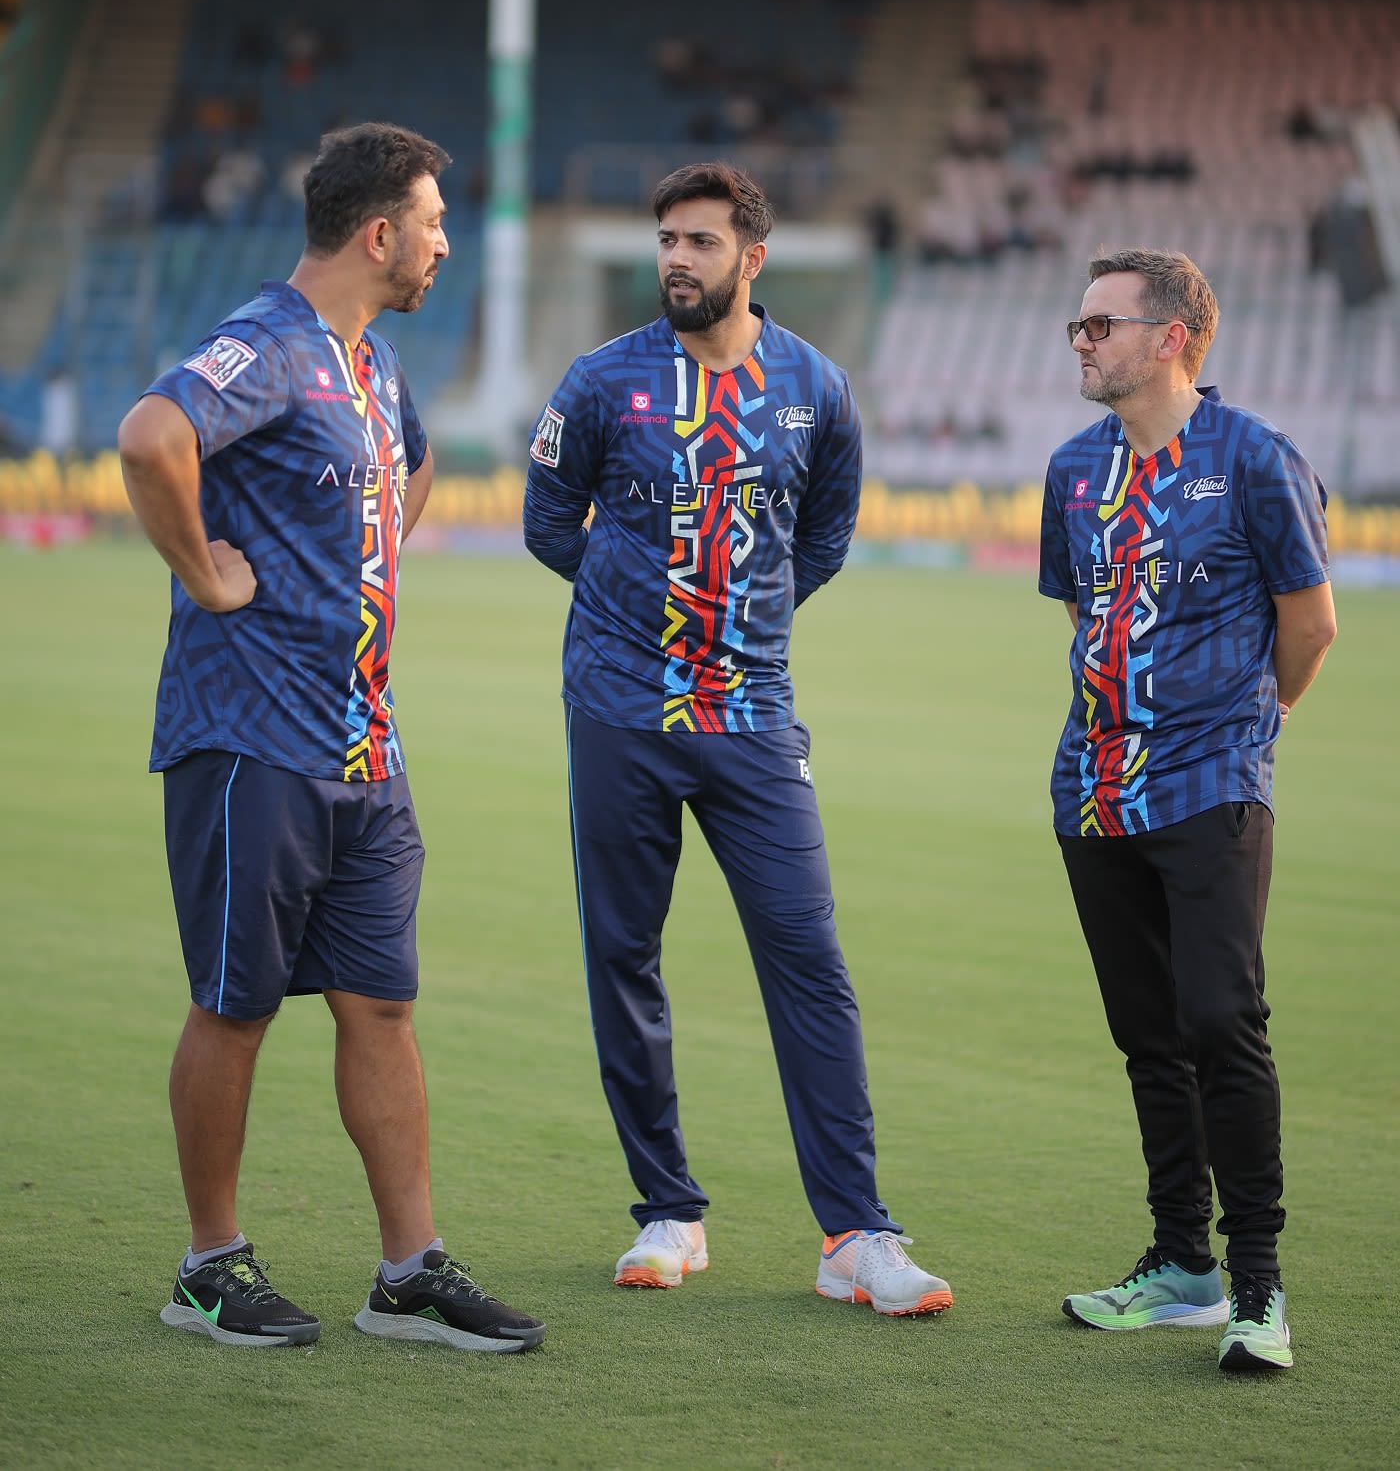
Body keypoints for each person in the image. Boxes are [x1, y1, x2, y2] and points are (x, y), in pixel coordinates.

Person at [118, 121, 544, 1357]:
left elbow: (408, 471)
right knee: (235, 1006)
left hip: (363, 747)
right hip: (250, 738)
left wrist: (366, 561)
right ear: (377, 233)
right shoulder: (269, 344)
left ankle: (407, 1273)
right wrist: (205, 575)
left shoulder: (371, 363)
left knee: (382, 1009)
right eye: (431, 223)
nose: (442, 245)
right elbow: (153, 438)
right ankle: (208, 1267)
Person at [522, 160, 951, 1317]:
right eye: (665, 238)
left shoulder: (815, 387)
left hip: (753, 716)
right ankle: (667, 1212)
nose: (675, 258)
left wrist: (732, 624)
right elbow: (547, 521)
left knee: (806, 960)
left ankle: (853, 1235)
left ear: (750, 258)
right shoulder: (603, 381)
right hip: (617, 708)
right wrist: (640, 615)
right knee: (625, 957)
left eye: (699, 243)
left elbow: (822, 537)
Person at [1039, 247, 1335, 1375]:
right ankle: (1181, 1269)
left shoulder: (1252, 457)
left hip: (1211, 784)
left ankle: (1257, 1287)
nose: (1080, 340)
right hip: (1090, 790)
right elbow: (1083, 616)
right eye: (1076, 325)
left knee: (1222, 1022)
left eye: (1100, 325)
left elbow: (1306, 626)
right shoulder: (1072, 469)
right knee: (1147, 1037)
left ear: (1170, 337)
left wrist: (1256, 728)